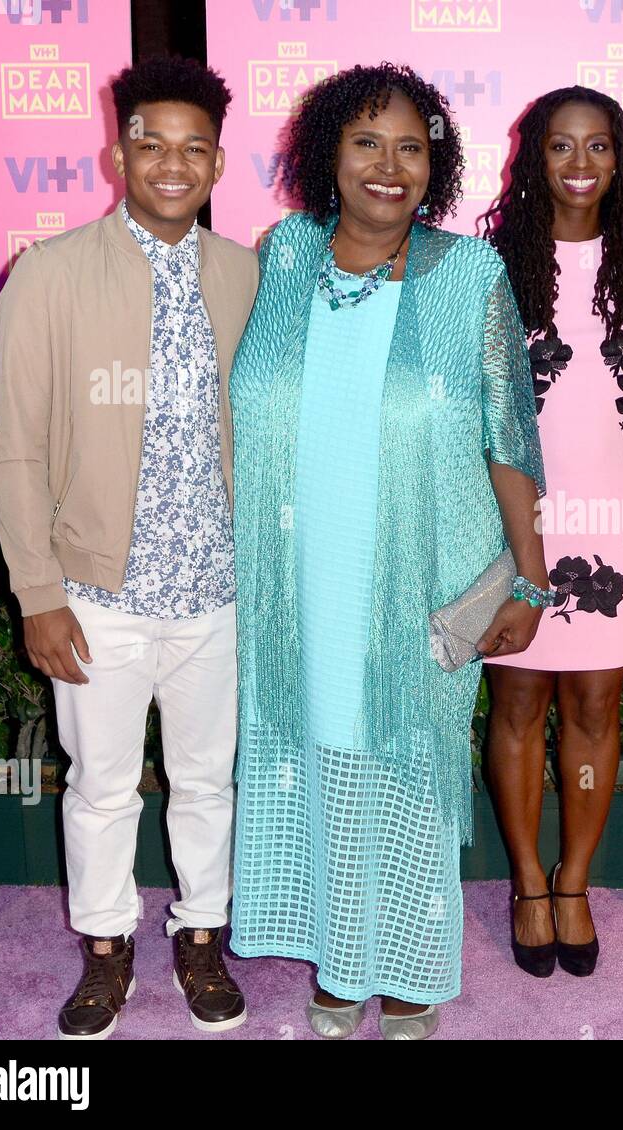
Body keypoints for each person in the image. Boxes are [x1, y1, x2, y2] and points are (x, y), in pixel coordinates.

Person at [227, 63, 548, 1041]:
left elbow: (509, 434)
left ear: (434, 165)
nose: (389, 164)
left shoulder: (468, 276)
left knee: (405, 770)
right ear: (328, 151)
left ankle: (407, 980)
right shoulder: (284, 254)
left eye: (412, 146)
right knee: (320, 761)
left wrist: (530, 574)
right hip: (294, 579)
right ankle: (338, 963)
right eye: (367, 141)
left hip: (419, 579)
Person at [0, 55, 258, 1039]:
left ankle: (200, 934)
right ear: (118, 154)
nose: (173, 164)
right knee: (100, 785)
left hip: (220, 592)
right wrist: (36, 591)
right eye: (154, 145)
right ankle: (107, 945)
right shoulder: (49, 273)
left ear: (218, 162)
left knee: (206, 781)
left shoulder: (245, 275)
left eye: (195, 148)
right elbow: (14, 447)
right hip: (97, 590)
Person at [479, 87, 623, 978]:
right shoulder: (488, 262)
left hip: (615, 517)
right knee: (518, 704)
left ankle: (575, 882)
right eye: (562, 146)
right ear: (534, 156)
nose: (580, 163)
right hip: (515, 514)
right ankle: (528, 882)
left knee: (597, 707)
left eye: (598, 146)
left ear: (620, 160)